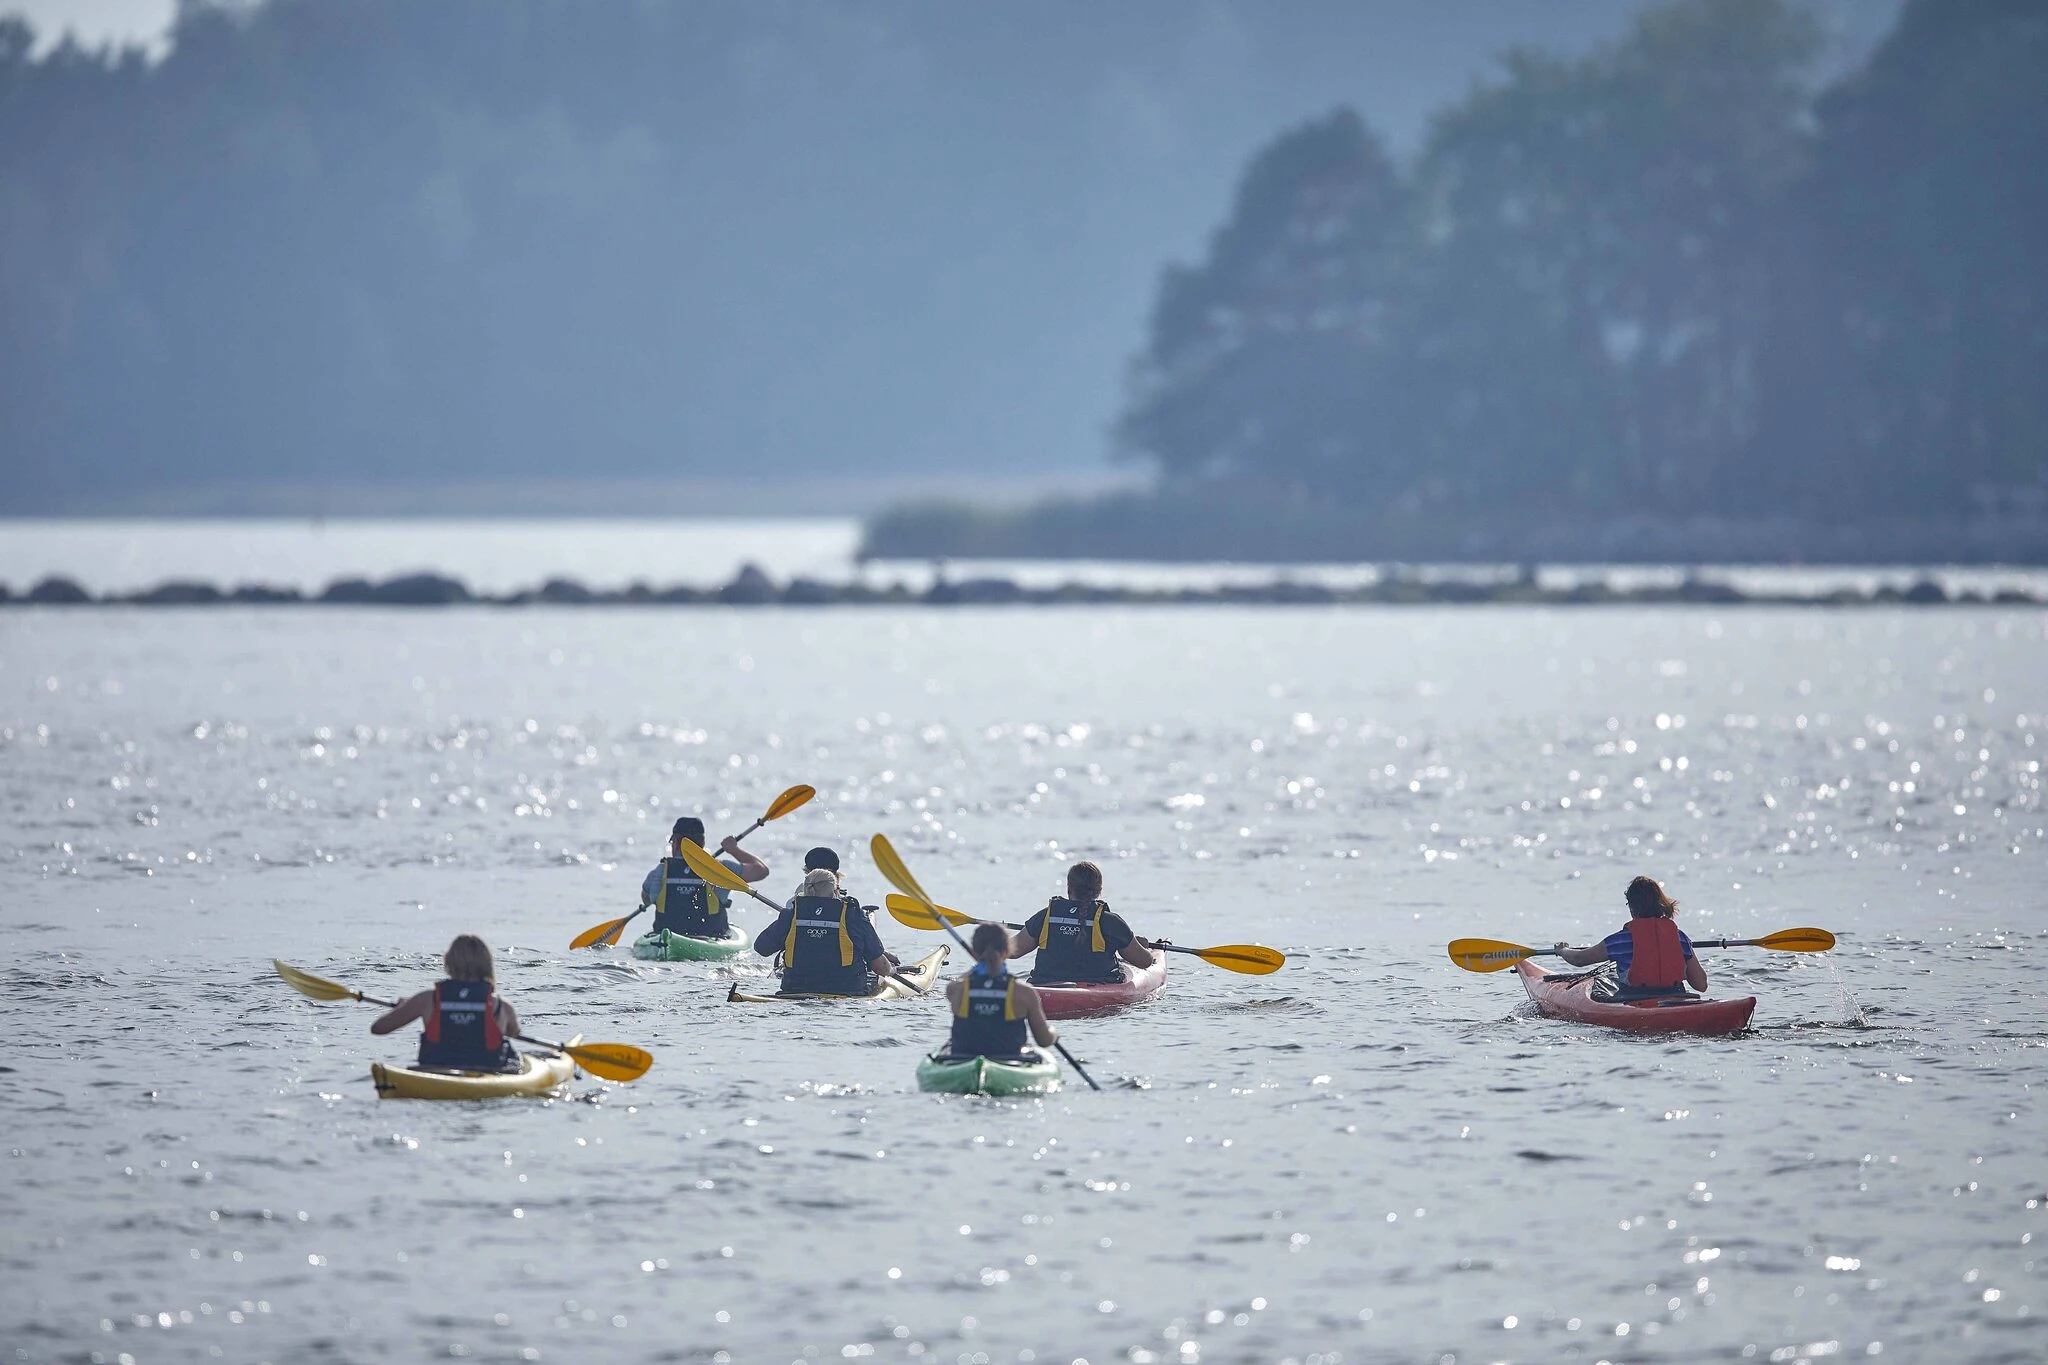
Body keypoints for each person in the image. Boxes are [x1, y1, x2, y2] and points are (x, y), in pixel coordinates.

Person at [753, 847, 900, 995]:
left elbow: (761, 948)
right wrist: (892, 970)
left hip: (795, 990)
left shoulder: (791, 913)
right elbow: (880, 967)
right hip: (846, 992)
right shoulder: (852, 913)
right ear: (836, 886)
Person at [370, 934, 522, 1072]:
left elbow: (378, 1028)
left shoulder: (426, 999)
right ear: (487, 965)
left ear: (448, 962)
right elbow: (513, 1033)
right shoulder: (502, 1006)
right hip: (486, 1073)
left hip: (435, 1072)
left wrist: (405, 1008)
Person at [1554, 875, 1711, 999]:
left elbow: (1579, 960)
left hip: (1635, 1001)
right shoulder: (1679, 938)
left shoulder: (1622, 941)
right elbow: (1701, 984)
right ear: (1660, 904)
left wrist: (1563, 950)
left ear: (1632, 907)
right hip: (1675, 998)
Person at [1006, 860, 1156, 984]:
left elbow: (1012, 951)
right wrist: (1144, 948)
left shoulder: (1045, 916)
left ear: (1068, 888)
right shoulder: (1111, 922)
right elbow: (1144, 962)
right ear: (1099, 890)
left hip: (1045, 986)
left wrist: (990, 939)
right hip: (1094, 990)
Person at [640, 816, 770, 939]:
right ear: (702, 843)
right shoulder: (719, 869)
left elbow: (647, 899)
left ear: (676, 843)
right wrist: (734, 850)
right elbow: (761, 870)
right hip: (710, 936)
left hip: (667, 936)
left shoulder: (660, 871)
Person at [943, 921, 1057, 1059]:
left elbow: (969, 978)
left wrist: (979, 965)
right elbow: (1044, 1041)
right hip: (1010, 1061)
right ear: (1007, 951)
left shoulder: (955, 989)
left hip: (962, 1059)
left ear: (975, 951)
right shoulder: (1025, 992)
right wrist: (1053, 1033)